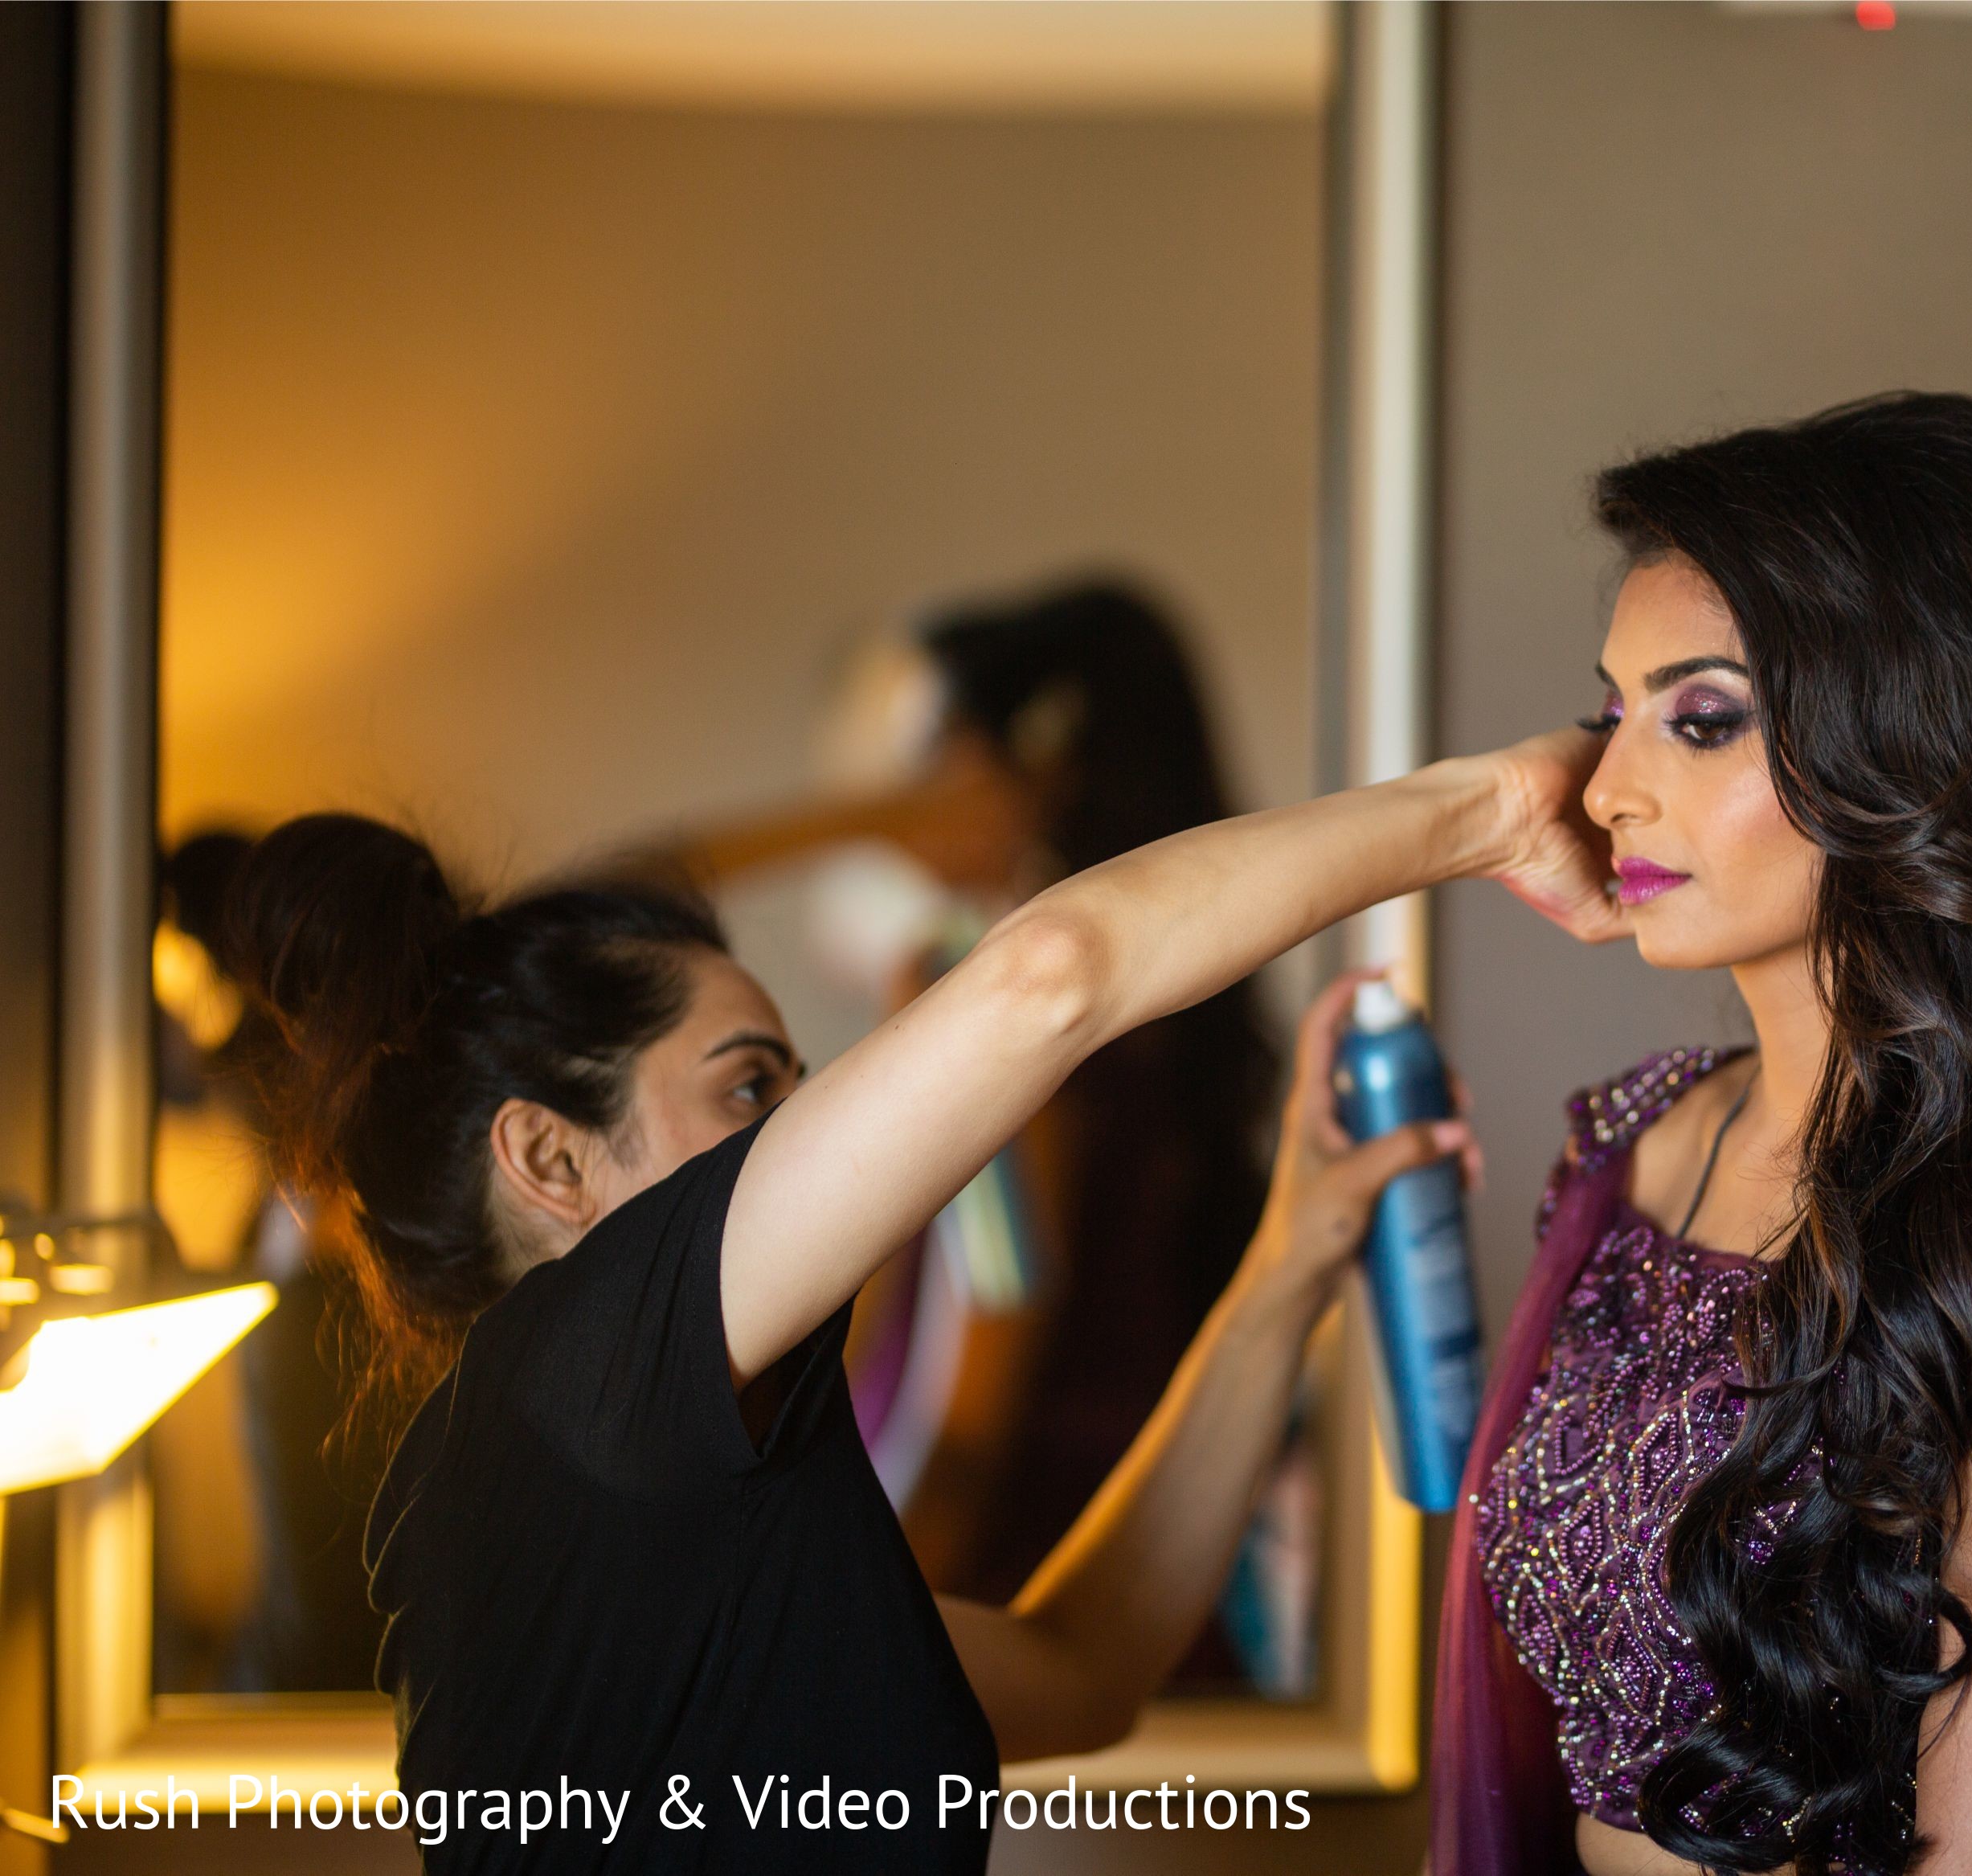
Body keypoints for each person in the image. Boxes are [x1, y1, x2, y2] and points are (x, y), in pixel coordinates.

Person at [218, 731, 1618, 1872]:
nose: (799, 1132)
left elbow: (1087, 1664)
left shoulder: (649, 1540)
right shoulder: (562, 1379)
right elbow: (1053, 972)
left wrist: (1291, 1256)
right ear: (548, 1159)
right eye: (749, 1085)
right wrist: (1490, 809)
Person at [1433, 393, 1972, 1876]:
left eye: (1700, 719)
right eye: (1612, 711)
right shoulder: (1636, 1146)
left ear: (1909, 741)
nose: (1604, 789)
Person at [687, 582, 1280, 1611]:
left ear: (1031, 771)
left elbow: (969, 1423)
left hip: (982, 1586)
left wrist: (833, 1628)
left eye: (931, 752)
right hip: (1122, 1571)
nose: (906, 792)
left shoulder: (1005, 1020)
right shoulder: (1146, 1022)